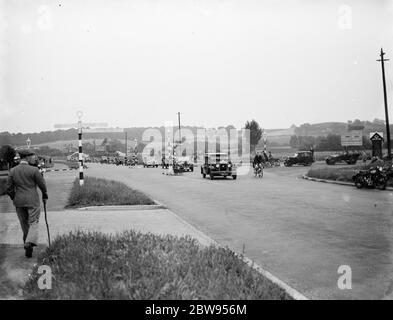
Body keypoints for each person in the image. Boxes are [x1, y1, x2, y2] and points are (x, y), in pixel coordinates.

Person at [6, 149, 48, 258]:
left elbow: (9, 188)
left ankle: (27, 243)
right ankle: (29, 243)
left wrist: (14, 197)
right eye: (32, 156)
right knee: (33, 222)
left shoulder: (13, 171)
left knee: (24, 224)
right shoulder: (34, 170)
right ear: (27, 157)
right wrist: (45, 194)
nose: (33, 158)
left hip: (19, 201)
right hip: (32, 200)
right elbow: (42, 184)